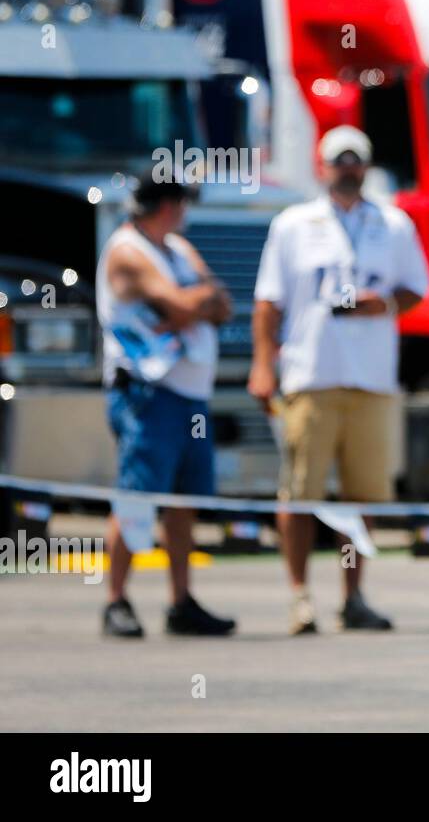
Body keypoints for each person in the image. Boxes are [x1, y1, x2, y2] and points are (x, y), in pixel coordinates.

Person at [248, 126, 429, 635]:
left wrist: (383, 305)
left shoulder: (393, 224)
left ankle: (353, 597)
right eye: (338, 161)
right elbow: (269, 302)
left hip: (371, 377)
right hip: (312, 373)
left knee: (363, 496)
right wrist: (263, 364)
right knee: (301, 491)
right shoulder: (293, 224)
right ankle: (299, 596)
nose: (347, 169)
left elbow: (418, 288)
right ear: (322, 166)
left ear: (367, 168)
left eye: (356, 161)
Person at [97, 173, 236, 638]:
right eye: (180, 203)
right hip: (148, 396)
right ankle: (116, 598)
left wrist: (194, 301)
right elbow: (182, 306)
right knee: (138, 497)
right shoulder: (127, 251)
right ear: (167, 205)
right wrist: (196, 302)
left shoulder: (174, 249)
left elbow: (222, 302)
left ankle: (181, 601)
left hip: (190, 396)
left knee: (184, 502)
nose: (184, 212)